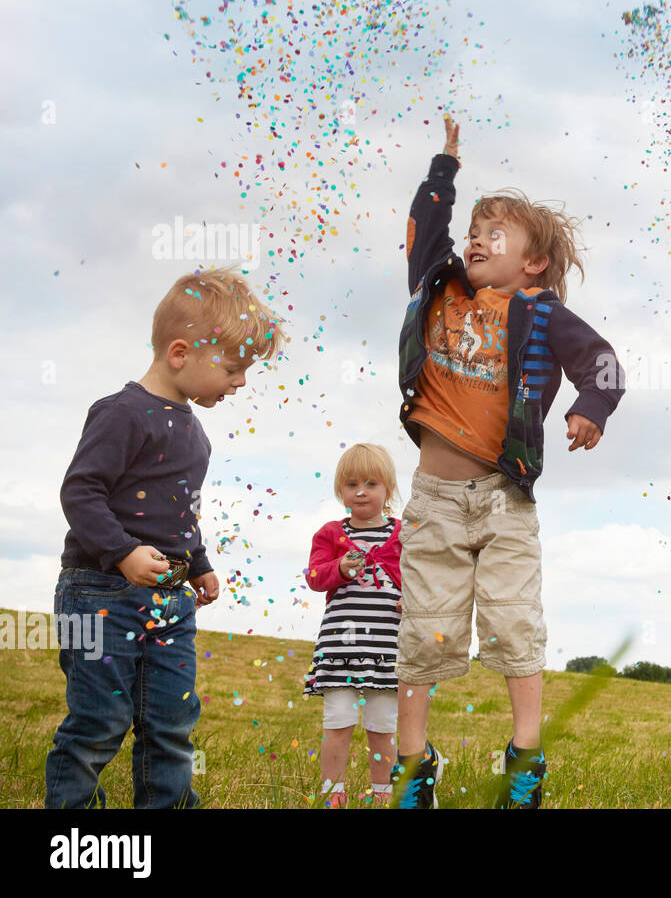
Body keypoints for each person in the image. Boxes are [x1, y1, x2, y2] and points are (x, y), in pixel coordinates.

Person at [391, 115, 625, 808]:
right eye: (474, 232)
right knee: (425, 630)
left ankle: (525, 756)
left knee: (514, 623)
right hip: (433, 498)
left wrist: (592, 408)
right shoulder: (440, 285)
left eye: (496, 235)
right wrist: (444, 170)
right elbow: (425, 231)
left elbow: (605, 365)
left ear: (533, 263)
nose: (475, 241)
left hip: (505, 499)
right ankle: (412, 766)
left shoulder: (541, 313)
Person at [45, 265, 284, 808]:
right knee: (99, 723)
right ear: (180, 353)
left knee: (171, 723)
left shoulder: (196, 435)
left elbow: (182, 514)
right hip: (102, 593)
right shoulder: (122, 413)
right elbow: (80, 493)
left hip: (171, 599)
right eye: (232, 367)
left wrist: (196, 562)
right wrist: (123, 552)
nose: (240, 381)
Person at [304, 443, 404, 807]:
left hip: (386, 649)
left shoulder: (402, 535)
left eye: (371, 483)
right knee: (338, 720)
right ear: (340, 491)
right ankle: (332, 795)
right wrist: (339, 569)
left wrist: (412, 598)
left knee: (382, 724)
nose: (360, 491)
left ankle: (383, 794)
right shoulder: (331, 534)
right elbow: (315, 577)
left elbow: (418, 577)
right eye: (351, 484)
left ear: (387, 489)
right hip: (340, 648)